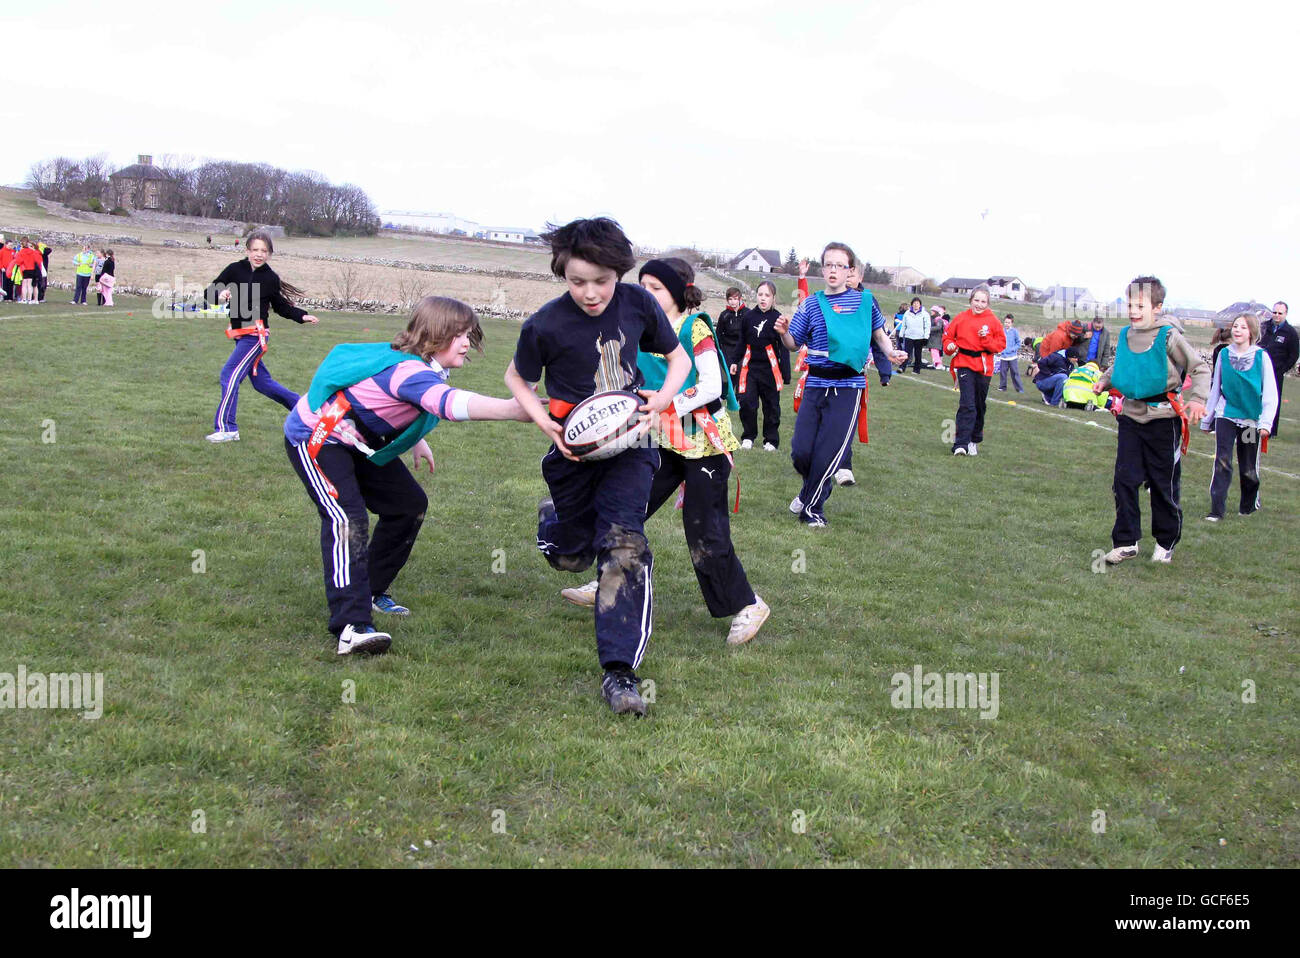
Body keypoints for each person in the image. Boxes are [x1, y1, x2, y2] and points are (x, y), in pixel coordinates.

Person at [504, 217, 690, 718]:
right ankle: (554, 524)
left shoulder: (639, 304)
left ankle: (620, 672)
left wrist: (662, 401)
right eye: (577, 281)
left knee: (624, 542)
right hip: (572, 454)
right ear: (563, 273)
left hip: (632, 445)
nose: (590, 293)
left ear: (619, 272)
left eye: (601, 281)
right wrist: (546, 423)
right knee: (571, 557)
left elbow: (679, 359)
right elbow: (516, 377)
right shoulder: (545, 323)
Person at [285, 296, 531, 655]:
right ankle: (351, 626)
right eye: (458, 334)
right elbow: (446, 403)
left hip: (358, 440)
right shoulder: (411, 371)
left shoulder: (422, 366)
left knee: (407, 504)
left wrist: (418, 439)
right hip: (316, 437)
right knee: (346, 520)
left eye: (468, 334)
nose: (466, 342)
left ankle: (369, 589)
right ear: (434, 335)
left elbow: (400, 402)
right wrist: (511, 409)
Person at [562, 257, 770, 646]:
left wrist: (665, 402)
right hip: (659, 439)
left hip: (702, 442)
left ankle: (748, 604)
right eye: (642, 286)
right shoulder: (642, 331)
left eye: (655, 287)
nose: (646, 294)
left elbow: (710, 386)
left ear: (678, 291)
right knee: (625, 509)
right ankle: (609, 582)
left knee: (704, 530)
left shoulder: (696, 328)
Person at [774, 242, 906, 526]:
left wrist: (890, 352)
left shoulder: (865, 302)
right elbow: (794, 344)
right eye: (829, 265)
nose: (833, 270)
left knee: (829, 452)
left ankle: (812, 510)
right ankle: (811, 488)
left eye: (840, 265)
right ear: (823, 269)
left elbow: (879, 335)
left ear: (851, 271)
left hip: (849, 387)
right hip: (816, 384)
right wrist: (784, 334)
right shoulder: (811, 303)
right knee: (801, 451)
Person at [1093, 276, 1209, 564]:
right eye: (1130, 304)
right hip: (1131, 417)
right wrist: (1104, 381)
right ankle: (1126, 541)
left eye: (1140, 305)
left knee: (1162, 483)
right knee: (1124, 479)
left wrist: (1197, 400)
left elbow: (1200, 367)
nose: (1133, 310)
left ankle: (1165, 542)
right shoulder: (1126, 335)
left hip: (1163, 420)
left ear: (1157, 307)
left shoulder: (1168, 336)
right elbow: (1121, 366)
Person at [205, 231, 318, 442]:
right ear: (247, 250)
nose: (259, 254)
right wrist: (219, 295)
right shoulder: (234, 270)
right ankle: (309, 412)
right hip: (240, 335)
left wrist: (302, 316)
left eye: (264, 251)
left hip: (255, 337)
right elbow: (210, 292)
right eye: (255, 250)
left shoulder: (270, 278)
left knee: (229, 376)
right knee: (262, 383)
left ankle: (228, 428)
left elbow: (282, 307)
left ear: (269, 254)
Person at [1200, 313, 1277, 521]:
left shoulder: (1261, 357)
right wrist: (1208, 420)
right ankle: (1217, 510)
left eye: (1242, 327)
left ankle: (1248, 506)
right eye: (1235, 326)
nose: (1237, 330)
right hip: (1226, 415)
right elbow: (1216, 388)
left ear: (1251, 331)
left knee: (1248, 466)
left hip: (1251, 420)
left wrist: (1266, 423)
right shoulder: (1224, 355)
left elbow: (1270, 393)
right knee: (1222, 460)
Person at [942, 286, 1006, 455]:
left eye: (983, 301)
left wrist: (986, 340)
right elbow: (948, 336)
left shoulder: (993, 321)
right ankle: (960, 444)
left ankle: (974, 439)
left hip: (984, 368)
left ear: (988, 303)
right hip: (964, 364)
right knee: (967, 404)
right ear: (970, 300)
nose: (979, 304)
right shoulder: (961, 318)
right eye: (976, 300)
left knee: (979, 405)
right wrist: (949, 345)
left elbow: (1000, 345)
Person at [737, 278, 790, 451]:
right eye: (760, 294)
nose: (763, 298)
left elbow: (784, 348)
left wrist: (785, 373)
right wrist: (733, 362)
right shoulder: (748, 317)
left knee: (771, 405)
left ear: (773, 298)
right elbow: (742, 341)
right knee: (746, 402)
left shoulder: (777, 318)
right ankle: (748, 436)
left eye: (767, 295)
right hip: (750, 367)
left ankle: (771, 440)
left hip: (770, 369)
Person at [1259, 301, 1297, 438]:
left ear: (1285, 314)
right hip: (1258, 371)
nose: (1276, 315)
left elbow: (1293, 354)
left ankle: (1271, 430)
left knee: (1273, 400)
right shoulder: (1263, 327)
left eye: (1280, 313)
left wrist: (1282, 369)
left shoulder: (1291, 333)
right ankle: (1254, 426)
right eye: (1274, 312)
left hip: (1276, 373)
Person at [715, 287, 746, 394]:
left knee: (741, 374)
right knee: (729, 375)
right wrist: (719, 351)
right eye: (731, 299)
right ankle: (728, 397)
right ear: (727, 300)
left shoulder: (747, 313)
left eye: (735, 299)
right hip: (728, 350)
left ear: (740, 299)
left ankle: (740, 397)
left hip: (743, 350)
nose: (733, 302)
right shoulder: (724, 315)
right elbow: (718, 335)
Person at [898, 296, 931, 373]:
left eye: (917, 303)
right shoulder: (907, 313)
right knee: (906, 353)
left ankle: (916, 370)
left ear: (920, 305)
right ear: (912, 304)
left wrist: (926, 337)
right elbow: (903, 325)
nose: (916, 305)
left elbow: (927, 326)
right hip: (909, 336)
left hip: (919, 337)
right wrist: (901, 335)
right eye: (914, 303)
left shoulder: (925, 314)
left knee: (918, 354)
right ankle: (902, 367)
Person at [997, 314, 1024, 391]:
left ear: (1012, 323)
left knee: (1015, 373)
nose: (1006, 324)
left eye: (1008, 322)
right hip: (1003, 357)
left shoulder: (1014, 332)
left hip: (1012, 357)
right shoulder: (1001, 331)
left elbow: (1018, 343)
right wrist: (1000, 350)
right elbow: (999, 341)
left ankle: (1019, 389)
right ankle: (1002, 387)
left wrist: (1012, 349)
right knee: (1003, 373)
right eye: (1005, 322)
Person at [927, 305, 946, 370]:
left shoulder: (938, 319)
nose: (931, 312)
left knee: (934, 351)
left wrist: (929, 329)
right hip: (933, 338)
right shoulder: (932, 318)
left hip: (936, 338)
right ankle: (935, 363)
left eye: (932, 311)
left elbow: (938, 327)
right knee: (933, 351)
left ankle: (938, 364)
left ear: (935, 311)